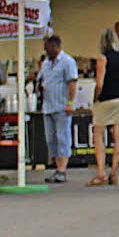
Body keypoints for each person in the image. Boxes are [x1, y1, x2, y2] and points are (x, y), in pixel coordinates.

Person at [86, 28, 119, 186]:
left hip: (105, 99)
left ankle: (101, 173)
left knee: (98, 135)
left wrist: (95, 98)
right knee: (118, 134)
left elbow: (99, 83)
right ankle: (114, 172)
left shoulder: (102, 58)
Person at [37, 34, 78, 184]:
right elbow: (41, 79)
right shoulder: (46, 63)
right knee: (51, 139)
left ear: (54, 46)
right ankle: (57, 167)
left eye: (46, 46)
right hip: (48, 106)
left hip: (61, 106)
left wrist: (70, 103)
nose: (44, 49)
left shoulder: (67, 61)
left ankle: (62, 169)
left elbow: (72, 83)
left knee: (63, 137)